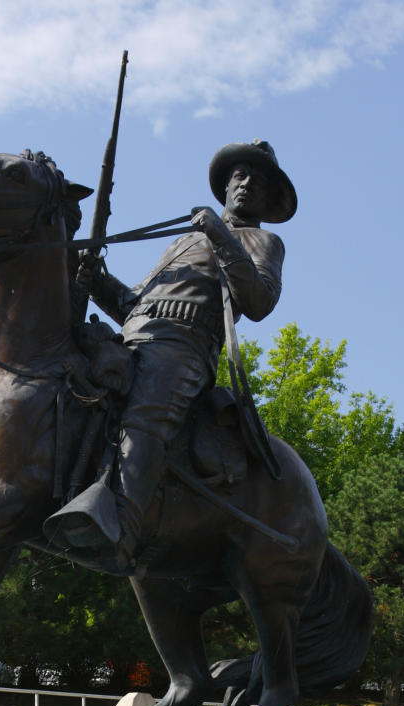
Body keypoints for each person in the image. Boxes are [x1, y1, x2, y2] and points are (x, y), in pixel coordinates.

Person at [47, 139, 297, 572]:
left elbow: (258, 302)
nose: (246, 184)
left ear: (269, 198)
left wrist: (220, 234)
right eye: (240, 176)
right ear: (226, 187)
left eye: (258, 182)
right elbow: (134, 304)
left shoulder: (263, 240)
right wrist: (98, 278)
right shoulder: (181, 243)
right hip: (133, 336)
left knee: (146, 415)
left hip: (186, 347)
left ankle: (121, 531)